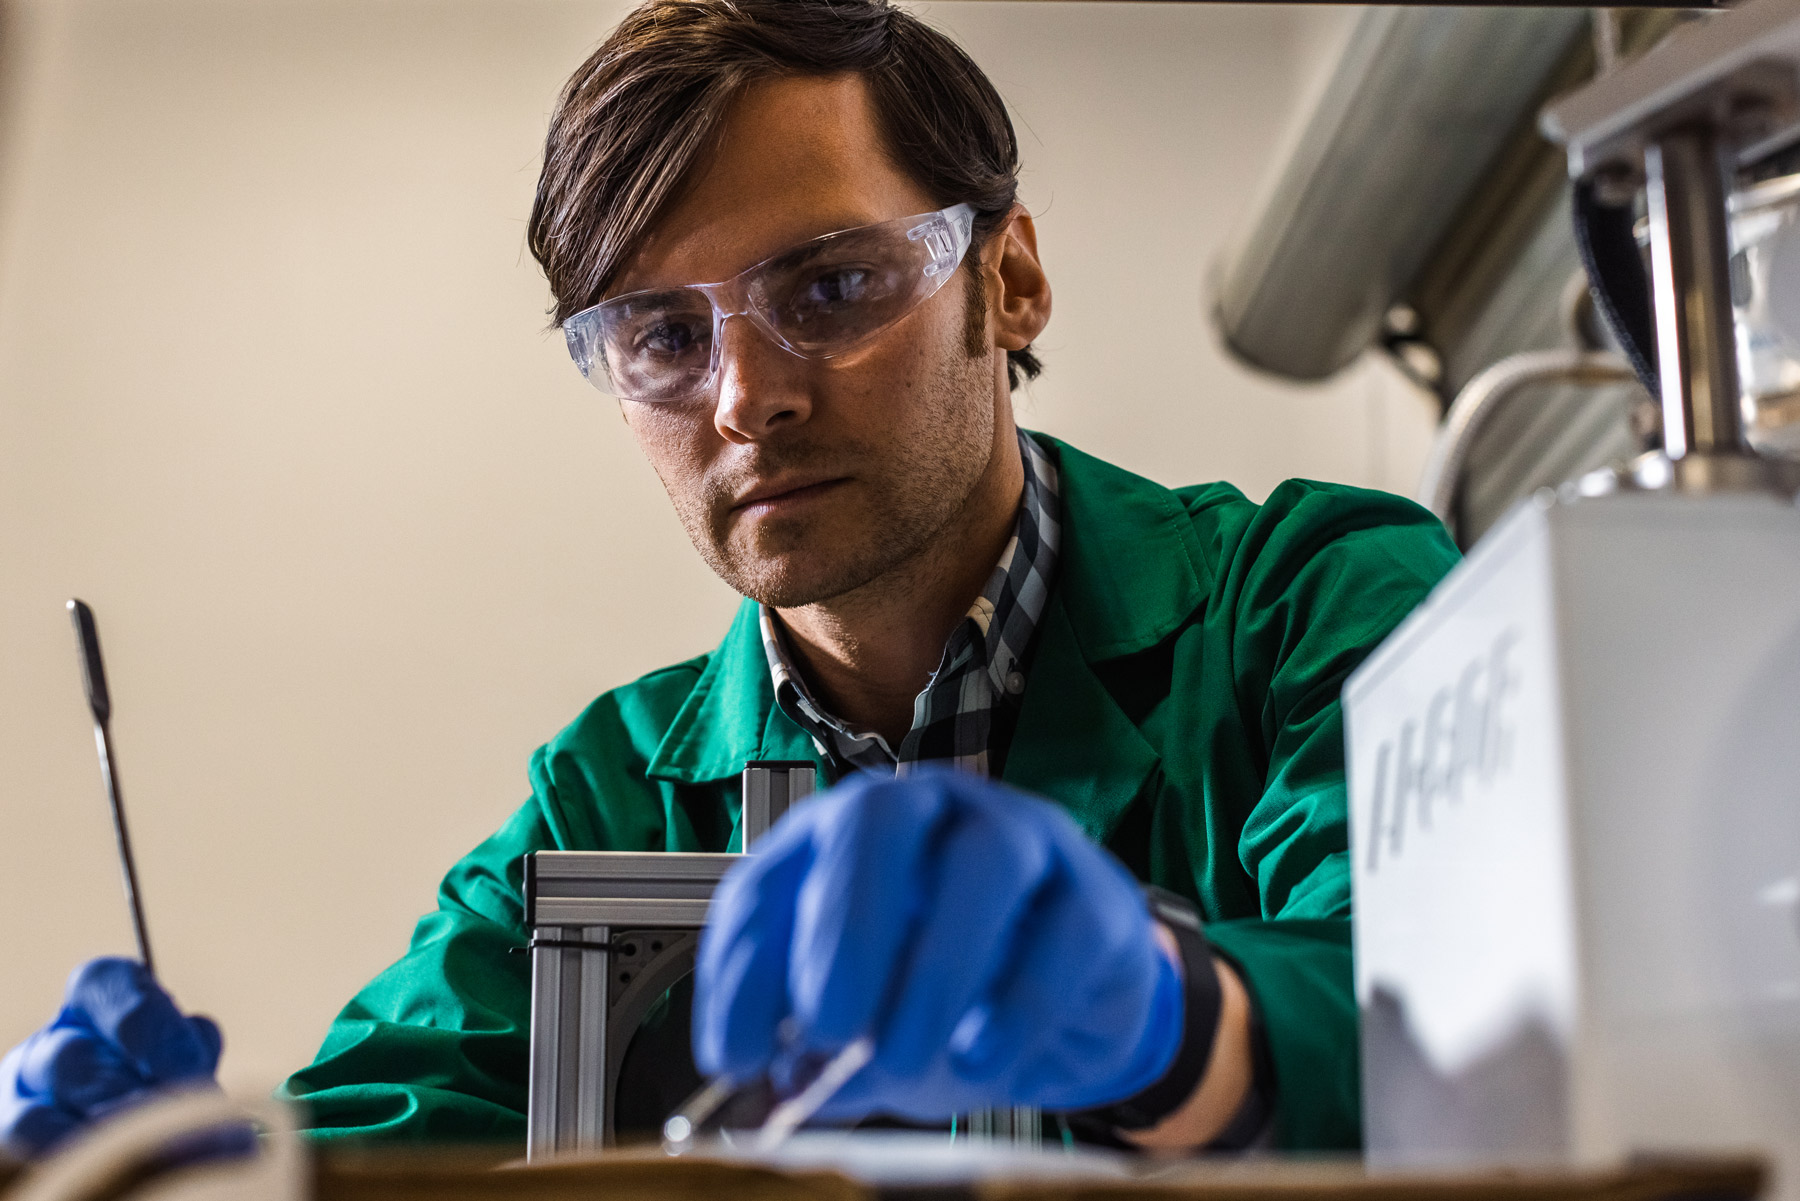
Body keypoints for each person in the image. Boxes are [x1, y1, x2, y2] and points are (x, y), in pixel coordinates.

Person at [0, 0, 1458, 1159]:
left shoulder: (1308, 608)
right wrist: (161, 1168)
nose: (746, 397)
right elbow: (380, 1142)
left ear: (1005, 280)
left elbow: (1478, 1043)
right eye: (659, 336)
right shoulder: (602, 799)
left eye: (830, 287)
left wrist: (1171, 1019)